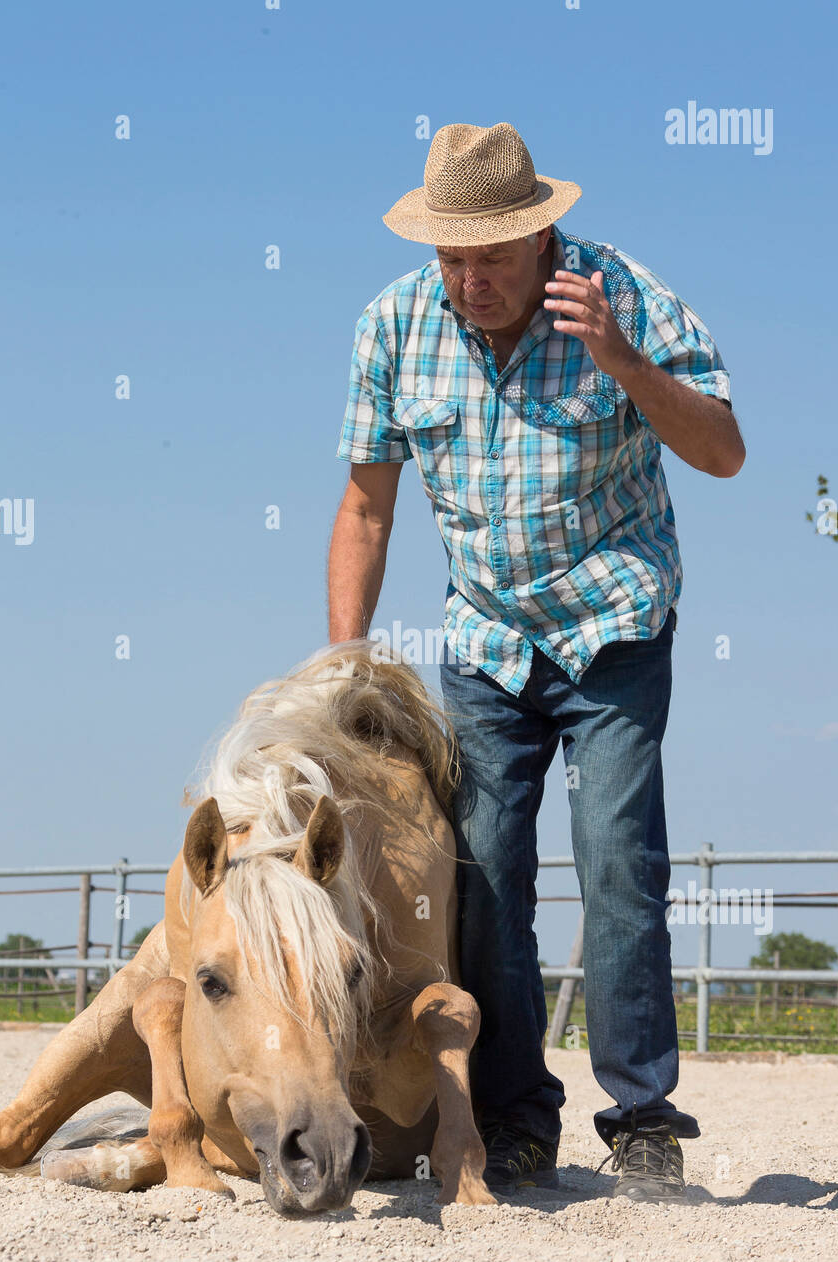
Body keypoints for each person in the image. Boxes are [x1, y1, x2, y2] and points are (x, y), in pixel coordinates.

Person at [328, 122, 744, 1202]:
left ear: (543, 233)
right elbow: (365, 510)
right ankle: (514, 1119)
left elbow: (722, 452)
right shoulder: (391, 325)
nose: (469, 282)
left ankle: (642, 1116)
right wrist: (346, 662)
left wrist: (620, 360)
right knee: (479, 872)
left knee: (613, 860)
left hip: (612, 620)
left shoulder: (624, 295)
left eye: (492, 259)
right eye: (450, 259)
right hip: (484, 642)